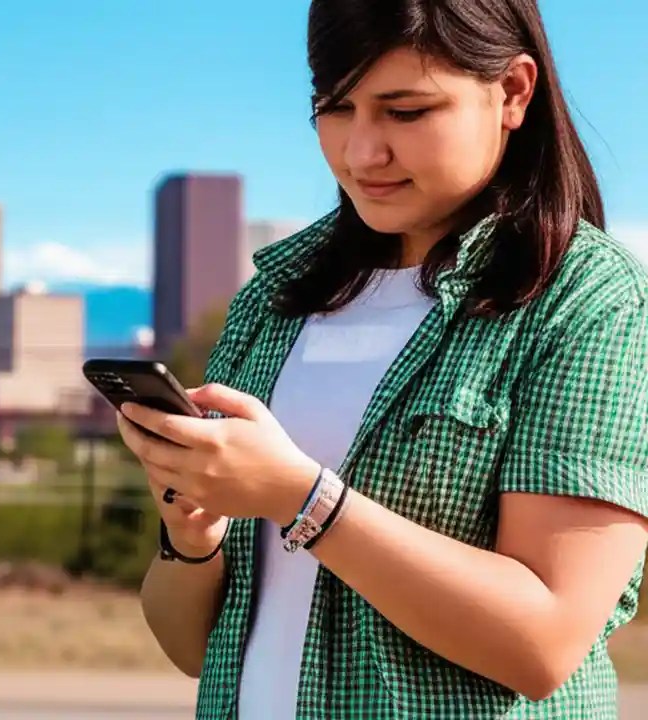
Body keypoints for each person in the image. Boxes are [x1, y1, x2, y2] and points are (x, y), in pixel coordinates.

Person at [121, 1, 648, 717]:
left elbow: (544, 642)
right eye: (336, 108)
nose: (362, 152)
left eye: (406, 112)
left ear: (514, 93)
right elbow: (192, 649)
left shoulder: (588, 299)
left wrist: (299, 499)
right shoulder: (275, 298)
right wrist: (192, 534)